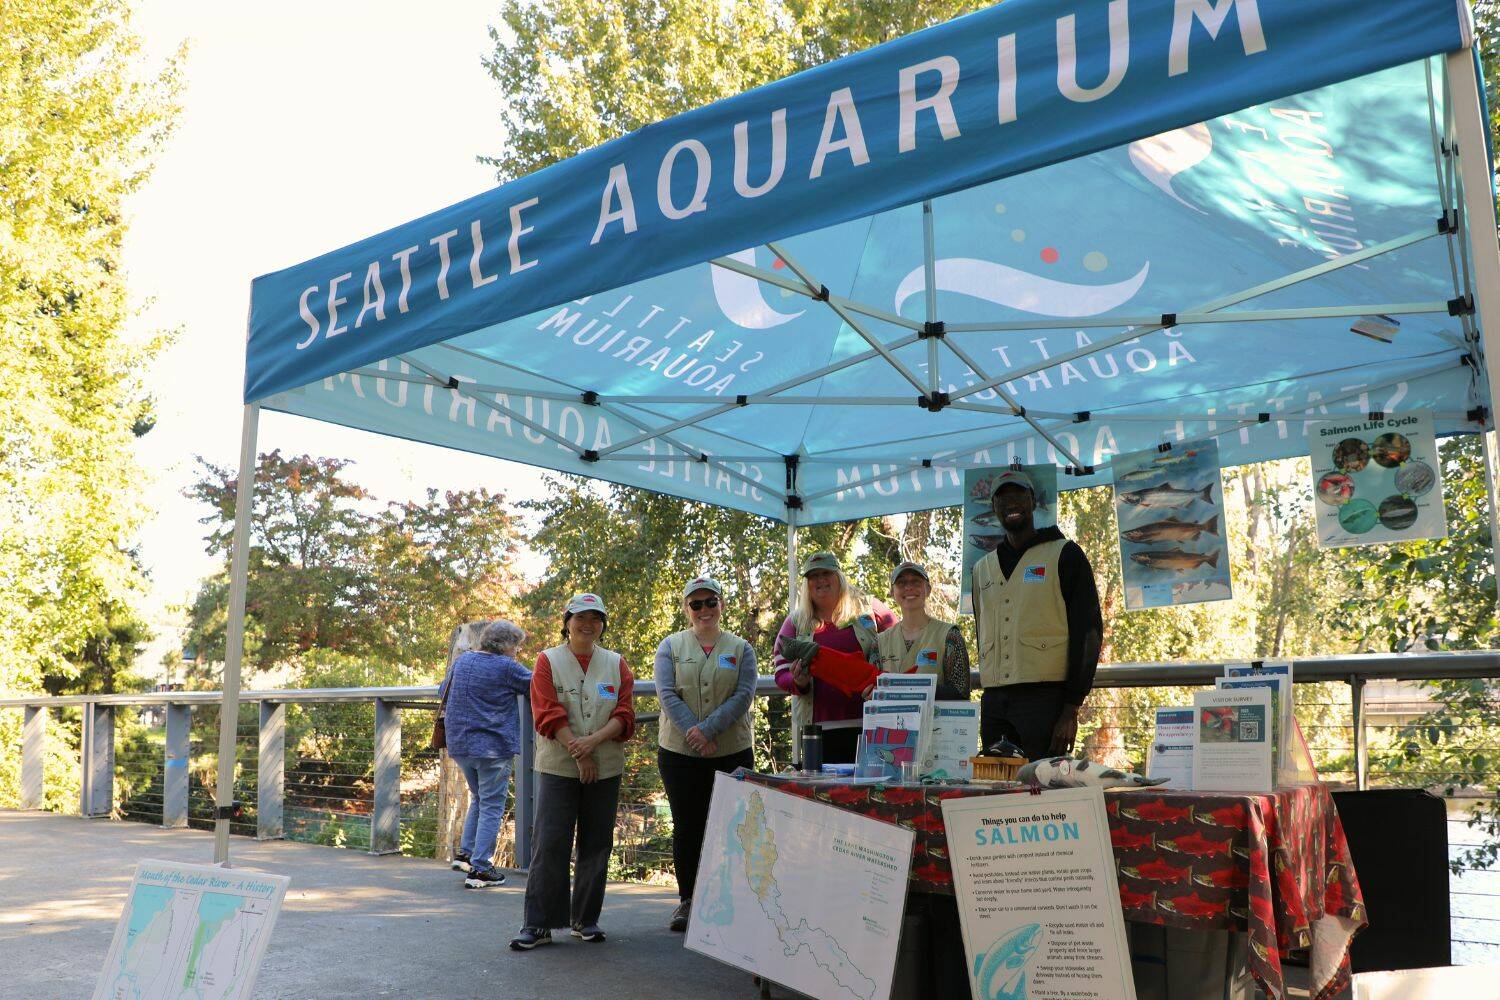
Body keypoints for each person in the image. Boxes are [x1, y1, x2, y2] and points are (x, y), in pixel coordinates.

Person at [510, 593, 635, 951]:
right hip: (558, 766)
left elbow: (624, 714)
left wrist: (591, 744)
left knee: (596, 843)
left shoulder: (616, 664)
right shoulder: (547, 661)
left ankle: (586, 919)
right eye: (580, 617)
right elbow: (547, 713)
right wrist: (579, 753)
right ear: (566, 622)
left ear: (602, 625)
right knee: (550, 842)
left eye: (596, 618)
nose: (587, 624)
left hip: (605, 765)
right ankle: (538, 924)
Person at [972, 469, 1103, 762]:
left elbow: (1089, 633)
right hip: (994, 702)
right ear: (993, 507)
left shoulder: (1065, 554)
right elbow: (983, 630)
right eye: (1002, 498)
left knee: (1042, 790)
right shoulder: (982, 568)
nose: (1011, 504)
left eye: (1019, 494)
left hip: (1045, 701)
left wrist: (1071, 709)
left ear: (1033, 500)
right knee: (998, 790)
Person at [654, 575, 758, 933]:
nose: (704, 610)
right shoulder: (669, 646)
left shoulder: (741, 648)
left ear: (721, 605)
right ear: (686, 609)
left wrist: (708, 730)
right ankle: (688, 900)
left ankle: (735, 899)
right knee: (687, 827)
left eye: (710, 602)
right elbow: (666, 695)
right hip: (679, 753)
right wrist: (695, 734)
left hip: (731, 751)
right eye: (695, 604)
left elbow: (743, 695)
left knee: (735, 828)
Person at [772, 551, 895, 764]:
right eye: (813, 576)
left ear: (839, 576)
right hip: (818, 732)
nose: (820, 580)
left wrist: (884, 684)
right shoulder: (796, 621)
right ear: (806, 584)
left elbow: (898, 644)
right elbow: (780, 672)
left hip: (871, 724)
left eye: (826, 573)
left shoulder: (869, 608)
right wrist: (798, 682)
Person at [442, 618, 533, 888]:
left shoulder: (462, 662)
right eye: (516, 646)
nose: (517, 651)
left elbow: (441, 690)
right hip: (492, 747)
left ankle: (466, 854)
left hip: (459, 744)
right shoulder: (507, 667)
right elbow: (537, 685)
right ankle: (481, 869)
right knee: (492, 804)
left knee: (480, 798)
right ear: (506, 645)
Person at [875, 561, 972, 701]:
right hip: (890, 723)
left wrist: (908, 691)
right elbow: (873, 689)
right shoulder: (879, 643)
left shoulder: (950, 636)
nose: (909, 587)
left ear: (928, 589)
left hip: (936, 721)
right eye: (901, 583)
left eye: (916, 582)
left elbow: (961, 691)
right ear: (892, 592)